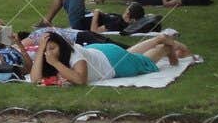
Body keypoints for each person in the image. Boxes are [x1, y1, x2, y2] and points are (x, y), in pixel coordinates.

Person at [31, 30, 190, 85]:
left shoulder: (74, 55)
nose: (48, 52)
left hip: (112, 61)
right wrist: (40, 53)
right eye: (45, 49)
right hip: (100, 52)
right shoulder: (47, 55)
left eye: (52, 48)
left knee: (144, 63)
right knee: (130, 55)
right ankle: (156, 39)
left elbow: (80, 80)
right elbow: (35, 79)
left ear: (61, 46)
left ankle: (164, 47)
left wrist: (56, 63)